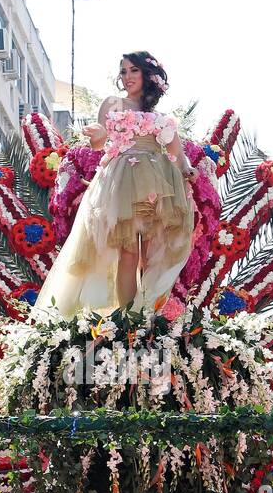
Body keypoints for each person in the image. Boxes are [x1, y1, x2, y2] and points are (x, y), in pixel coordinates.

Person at [31, 51, 196, 320]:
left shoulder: (163, 118)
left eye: (133, 70)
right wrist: (96, 137)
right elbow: (100, 141)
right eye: (123, 71)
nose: (127, 76)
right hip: (123, 184)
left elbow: (177, 153)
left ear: (147, 75)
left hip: (158, 187)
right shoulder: (113, 104)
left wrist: (187, 169)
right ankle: (128, 318)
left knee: (150, 254)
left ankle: (148, 315)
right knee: (129, 252)